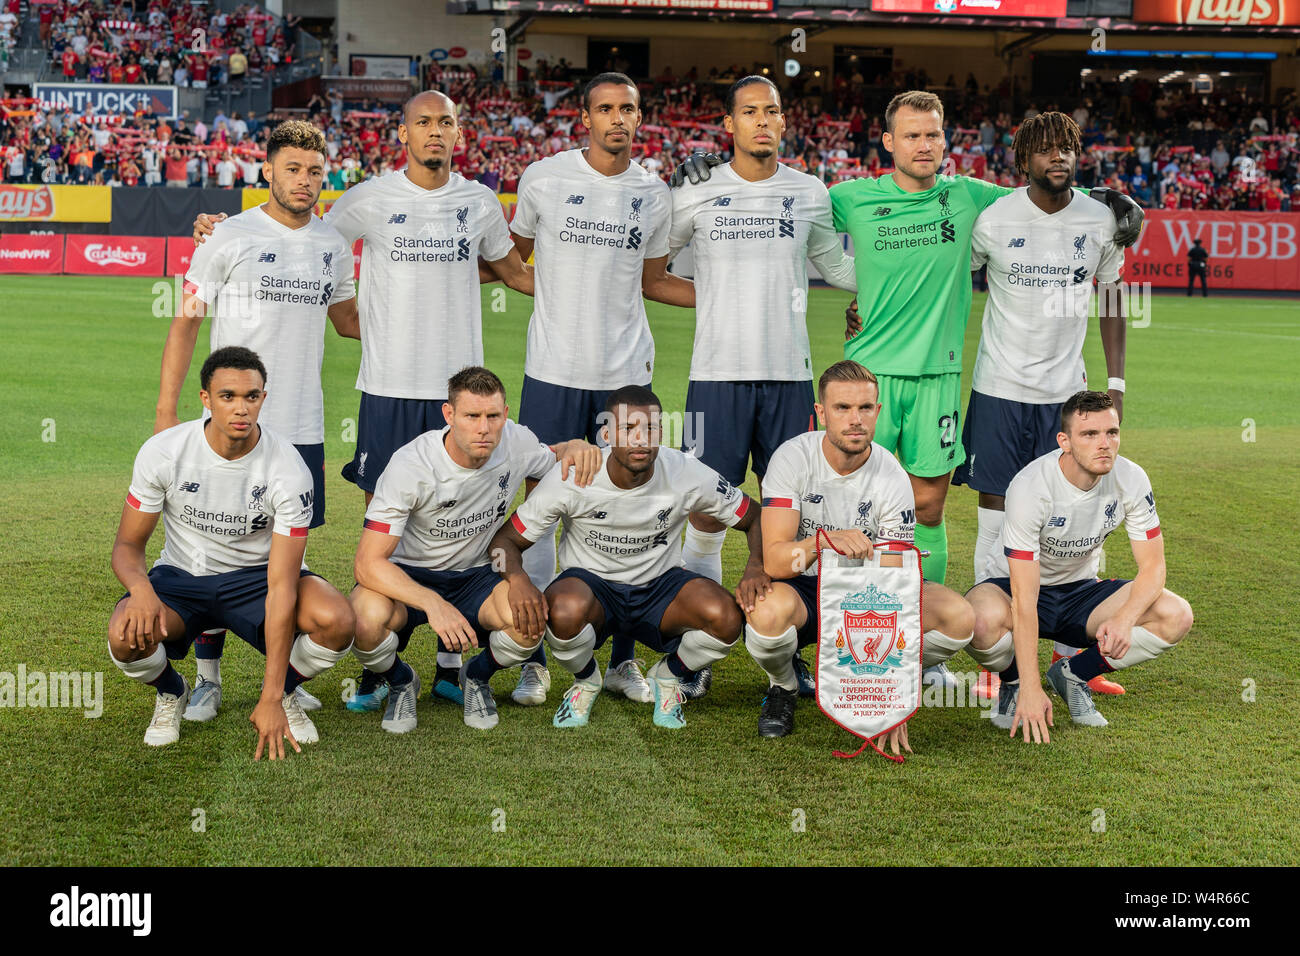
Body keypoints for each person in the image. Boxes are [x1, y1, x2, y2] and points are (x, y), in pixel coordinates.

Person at [193, 91, 539, 711]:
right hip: (386, 388)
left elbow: (509, 269)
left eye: (447, 123)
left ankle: (450, 663)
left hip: (456, 387)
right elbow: (303, 232)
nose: (436, 132)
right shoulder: (367, 199)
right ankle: (382, 667)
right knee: (387, 524)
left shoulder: (480, 203)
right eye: (424, 123)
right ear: (401, 132)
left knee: (467, 514)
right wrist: (222, 224)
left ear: (460, 134)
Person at [155, 120, 360, 722]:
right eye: (292, 169)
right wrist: (168, 412)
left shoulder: (331, 244)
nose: (304, 181)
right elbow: (187, 319)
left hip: (300, 425)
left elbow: (349, 321)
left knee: (285, 549)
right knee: (211, 543)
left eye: (315, 172)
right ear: (267, 170)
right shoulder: (229, 235)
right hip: (230, 422)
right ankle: (207, 677)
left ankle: (287, 683)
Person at [666, 76, 858, 702]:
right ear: (729, 124)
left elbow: (838, 268)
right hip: (715, 376)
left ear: (784, 121)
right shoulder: (698, 189)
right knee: (705, 511)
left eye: (772, 111)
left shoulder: (809, 192)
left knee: (798, 513)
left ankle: (791, 655)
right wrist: (666, 186)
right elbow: (649, 257)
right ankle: (699, 649)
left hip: (789, 377)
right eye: (750, 112)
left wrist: (893, 286)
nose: (763, 122)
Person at [506, 72, 695, 704]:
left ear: (641, 118)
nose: (618, 119)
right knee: (539, 505)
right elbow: (512, 257)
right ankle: (532, 653)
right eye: (605, 108)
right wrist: (551, 290)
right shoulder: (545, 178)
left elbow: (654, 280)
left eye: (629, 109)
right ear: (583, 117)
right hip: (553, 371)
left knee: (625, 507)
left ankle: (619, 658)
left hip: (626, 378)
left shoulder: (653, 192)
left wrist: (740, 299)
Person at [951, 111, 1129, 697]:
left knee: (1079, 512)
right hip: (999, 390)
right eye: (1046, 149)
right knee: (998, 517)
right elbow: (948, 281)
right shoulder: (994, 219)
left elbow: (1113, 299)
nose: (1058, 157)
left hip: (1066, 398)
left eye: (1067, 148)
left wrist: (1117, 386)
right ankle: (994, 657)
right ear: (1022, 159)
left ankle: (1072, 652)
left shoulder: (1100, 219)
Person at [108, 347, 355, 756]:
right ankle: (173, 692)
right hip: (181, 578)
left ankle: (287, 695)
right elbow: (127, 546)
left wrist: (272, 694)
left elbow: (281, 585)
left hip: (257, 579)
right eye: (227, 396)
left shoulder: (288, 469)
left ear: (263, 397)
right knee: (125, 635)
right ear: (205, 398)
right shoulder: (165, 451)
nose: (241, 408)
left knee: (338, 620)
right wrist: (142, 591)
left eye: (252, 396)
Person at [488, 385, 770, 730]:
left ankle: (668, 676)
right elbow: (505, 541)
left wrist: (755, 566)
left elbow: (754, 516)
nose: (641, 440)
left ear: (661, 432)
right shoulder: (574, 477)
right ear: (606, 434)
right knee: (561, 611)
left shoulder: (686, 471)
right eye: (628, 429)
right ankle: (587, 679)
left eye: (650, 428)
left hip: (660, 589)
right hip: (593, 588)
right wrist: (518, 581)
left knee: (726, 618)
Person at [349, 367, 601, 733]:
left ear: (505, 414)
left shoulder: (517, 441)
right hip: (412, 573)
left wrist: (575, 446)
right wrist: (434, 604)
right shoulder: (411, 465)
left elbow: (553, 456)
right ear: (449, 415)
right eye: (471, 416)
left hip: (476, 576)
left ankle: (476, 676)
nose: (484, 428)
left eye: (493, 416)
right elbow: (367, 564)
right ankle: (402, 680)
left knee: (529, 622)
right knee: (361, 620)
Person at [749, 361, 984, 749]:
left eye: (865, 408)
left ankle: (867, 676)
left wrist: (890, 692)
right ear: (821, 413)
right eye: (842, 408)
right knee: (766, 614)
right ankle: (784, 686)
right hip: (806, 590)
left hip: (867, 593)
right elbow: (775, 561)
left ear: (878, 411)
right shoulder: (792, 458)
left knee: (959, 617)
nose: (855, 419)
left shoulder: (892, 476)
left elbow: (894, 583)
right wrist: (823, 541)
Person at [966, 391, 1193, 741]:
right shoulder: (1031, 487)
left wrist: (1125, 618)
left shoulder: (1131, 478)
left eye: (1111, 433)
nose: (1104, 444)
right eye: (1090, 435)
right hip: (1013, 589)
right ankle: (1011, 683)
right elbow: (1025, 600)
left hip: (1080, 593)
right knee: (977, 621)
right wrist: (1030, 687)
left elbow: (1153, 567)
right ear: (1065, 441)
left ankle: (1073, 674)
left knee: (1175, 614)